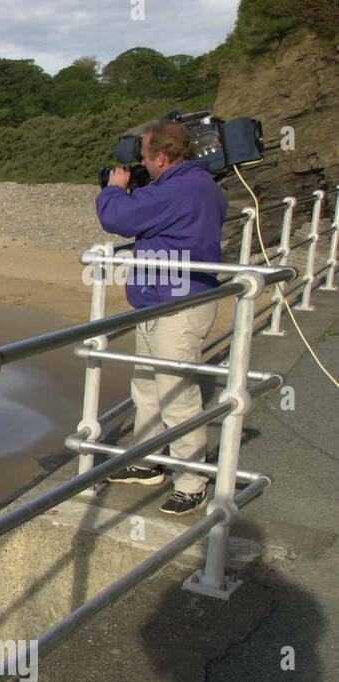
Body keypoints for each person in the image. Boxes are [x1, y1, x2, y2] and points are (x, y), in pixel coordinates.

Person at [95, 119, 229, 516]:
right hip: (165, 299)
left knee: (176, 392)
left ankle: (192, 481)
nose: (143, 163)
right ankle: (147, 462)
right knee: (148, 386)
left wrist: (113, 190)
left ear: (162, 157)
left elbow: (119, 220)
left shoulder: (180, 189)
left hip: (177, 302)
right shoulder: (201, 184)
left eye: (147, 156)